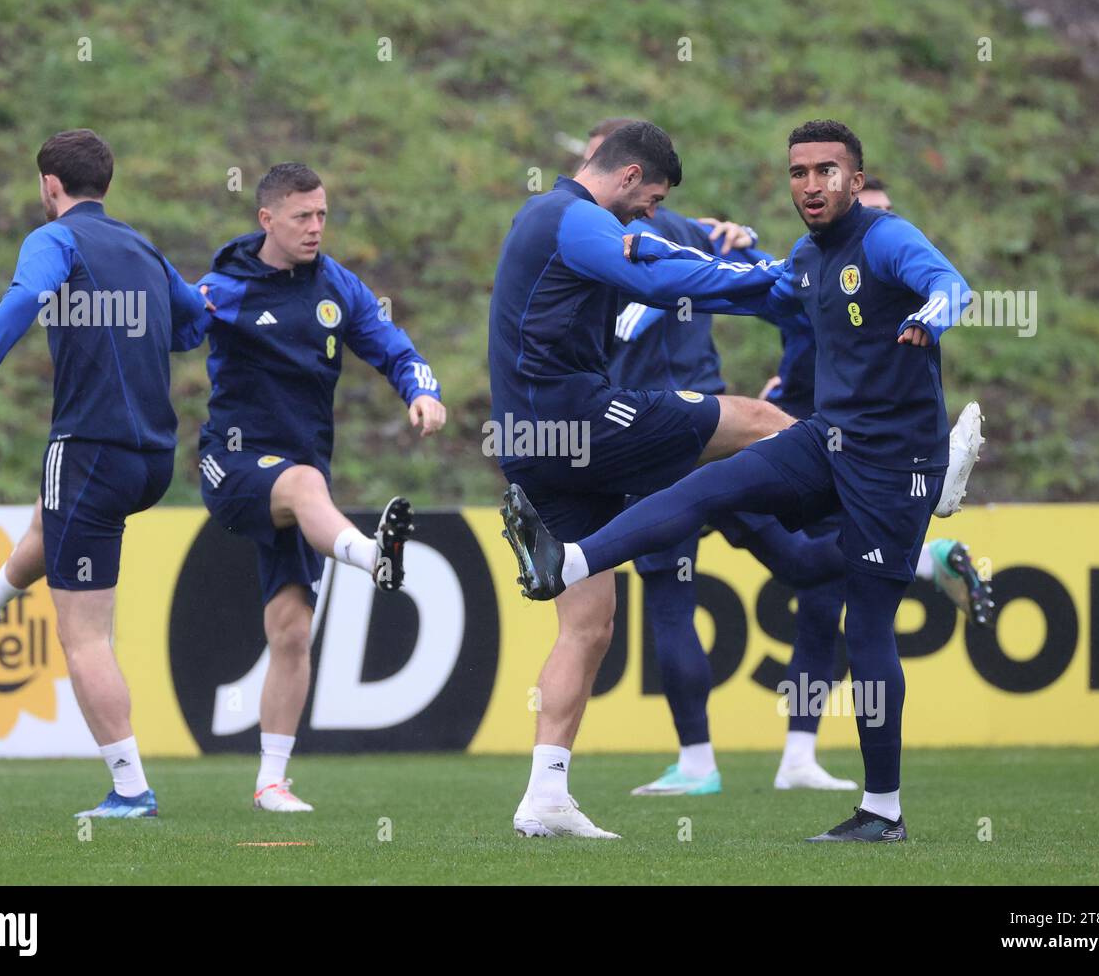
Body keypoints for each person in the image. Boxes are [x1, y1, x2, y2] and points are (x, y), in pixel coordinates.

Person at [502, 119, 977, 842]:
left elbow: (949, 284)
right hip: (797, 439)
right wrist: (763, 281)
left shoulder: (884, 236)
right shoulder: (793, 255)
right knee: (722, 477)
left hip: (889, 459)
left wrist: (932, 314)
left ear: (856, 177)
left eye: (827, 171)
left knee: (853, 620)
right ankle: (570, 565)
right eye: (800, 173)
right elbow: (702, 280)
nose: (812, 185)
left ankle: (880, 810)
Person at [489, 120, 805, 839]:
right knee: (756, 418)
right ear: (628, 178)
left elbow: (660, 265)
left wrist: (749, 269)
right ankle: (890, 472)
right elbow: (653, 273)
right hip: (577, 419)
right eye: (652, 197)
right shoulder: (572, 216)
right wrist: (781, 287)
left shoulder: (549, 218)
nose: (651, 211)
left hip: (533, 441)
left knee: (589, 624)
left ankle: (544, 797)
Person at [0, 129, 212, 818]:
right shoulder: (142, 246)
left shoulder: (53, 241)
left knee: (84, 635)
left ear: (50, 186)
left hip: (91, 446)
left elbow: (23, 301)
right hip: (152, 456)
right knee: (49, 517)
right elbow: (191, 324)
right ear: (106, 184)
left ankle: (130, 789)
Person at [191, 163, 446, 811]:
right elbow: (170, 331)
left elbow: (393, 347)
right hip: (236, 465)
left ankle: (271, 781)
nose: (315, 227)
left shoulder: (338, 287)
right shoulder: (226, 288)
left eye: (323, 214)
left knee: (293, 632)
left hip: (303, 482)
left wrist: (422, 391)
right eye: (302, 217)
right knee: (306, 485)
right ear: (266, 220)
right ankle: (370, 556)